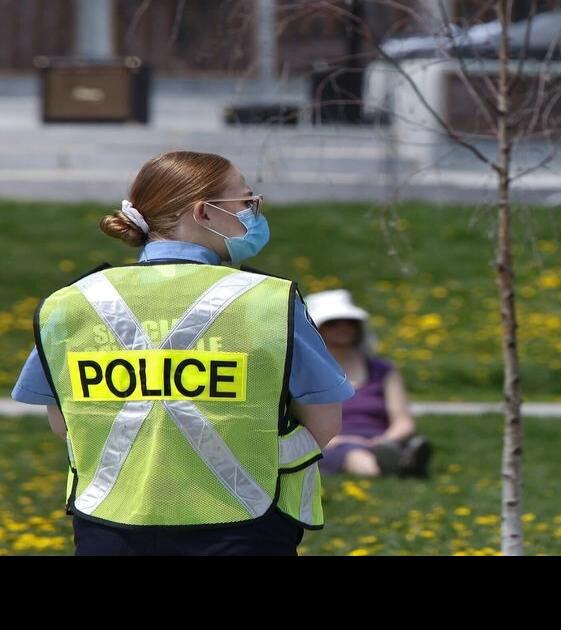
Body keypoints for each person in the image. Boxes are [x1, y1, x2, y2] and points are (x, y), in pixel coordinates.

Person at [9, 151, 352, 555]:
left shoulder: (70, 303)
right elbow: (324, 422)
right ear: (204, 212)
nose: (253, 214)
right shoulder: (269, 301)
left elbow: (64, 423)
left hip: (109, 526)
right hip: (243, 525)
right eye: (246, 202)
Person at [309, 289, 432, 479]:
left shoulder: (383, 370)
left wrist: (381, 441)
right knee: (355, 456)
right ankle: (400, 466)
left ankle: (395, 461)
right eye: (333, 323)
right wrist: (343, 441)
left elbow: (403, 421)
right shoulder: (306, 374)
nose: (344, 328)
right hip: (335, 444)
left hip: (382, 441)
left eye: (350, 322)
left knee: (382, 451)